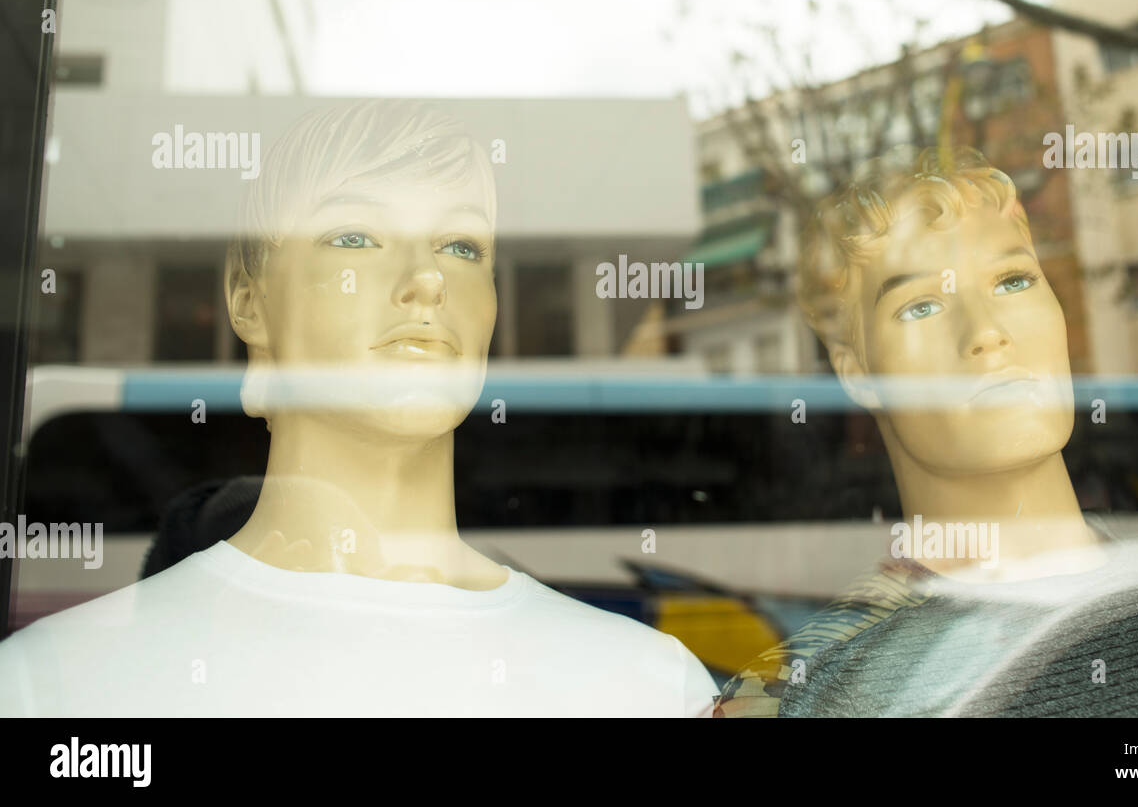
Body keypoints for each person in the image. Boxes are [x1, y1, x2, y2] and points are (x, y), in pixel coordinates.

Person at [0, 99, 717, 716]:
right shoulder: (49, 689)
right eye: (354, 236)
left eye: (463, 245)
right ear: (248, 297)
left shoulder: (647, 688)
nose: (427, 279)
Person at [715, 146, 1115, 717]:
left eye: (1013, 281)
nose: (986, 332)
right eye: (921, 307)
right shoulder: (808, 693)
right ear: (857, 373)